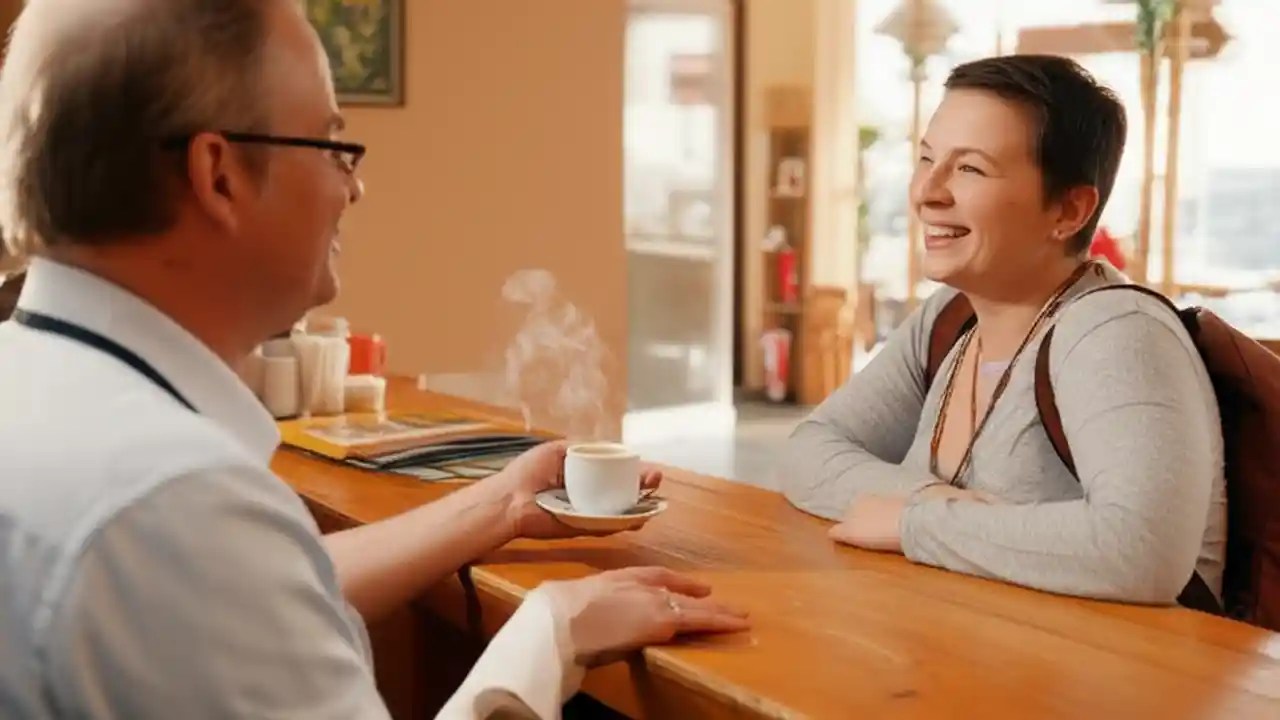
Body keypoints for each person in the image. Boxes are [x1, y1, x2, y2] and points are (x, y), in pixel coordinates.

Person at [0, 1, 747, 718]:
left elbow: (241, 604)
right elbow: (216, 578)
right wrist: (551, 631)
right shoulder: (173, 501)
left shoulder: (43, 397)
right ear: (217, 174)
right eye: (331, 144)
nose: (353, 186)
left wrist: (499, 506)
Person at [780, 55, 1227, 607]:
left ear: (1069, 209)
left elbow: (1143, 552)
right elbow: (808, 451)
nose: (927, 192)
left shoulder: (1115, 329)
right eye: (926, 158)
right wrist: (934, 504)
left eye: (970, 169)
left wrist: (911, 523)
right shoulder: (951, 317)